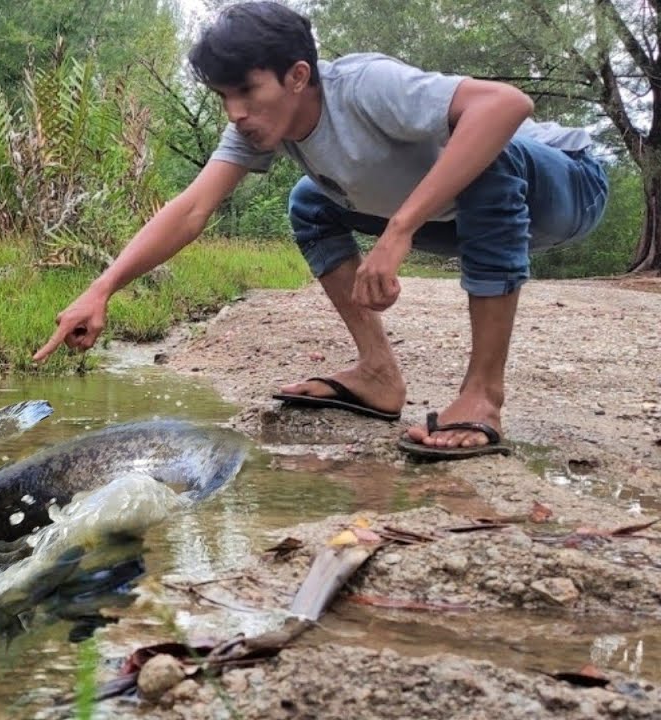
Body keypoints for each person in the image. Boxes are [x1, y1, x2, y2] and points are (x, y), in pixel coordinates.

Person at [32, 1, 608, 460]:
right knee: (310, 200)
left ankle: (482, 393)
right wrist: (102, 288)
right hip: (459, 216)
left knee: (492, 161)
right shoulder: (262, 130)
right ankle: (379, 376)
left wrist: (399, 229)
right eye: (224, 97)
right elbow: (190, 209)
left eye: (247, 91)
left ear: (297, 76)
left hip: (570, 188)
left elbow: (507, 104)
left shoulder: (363, 85)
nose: (235, 112)